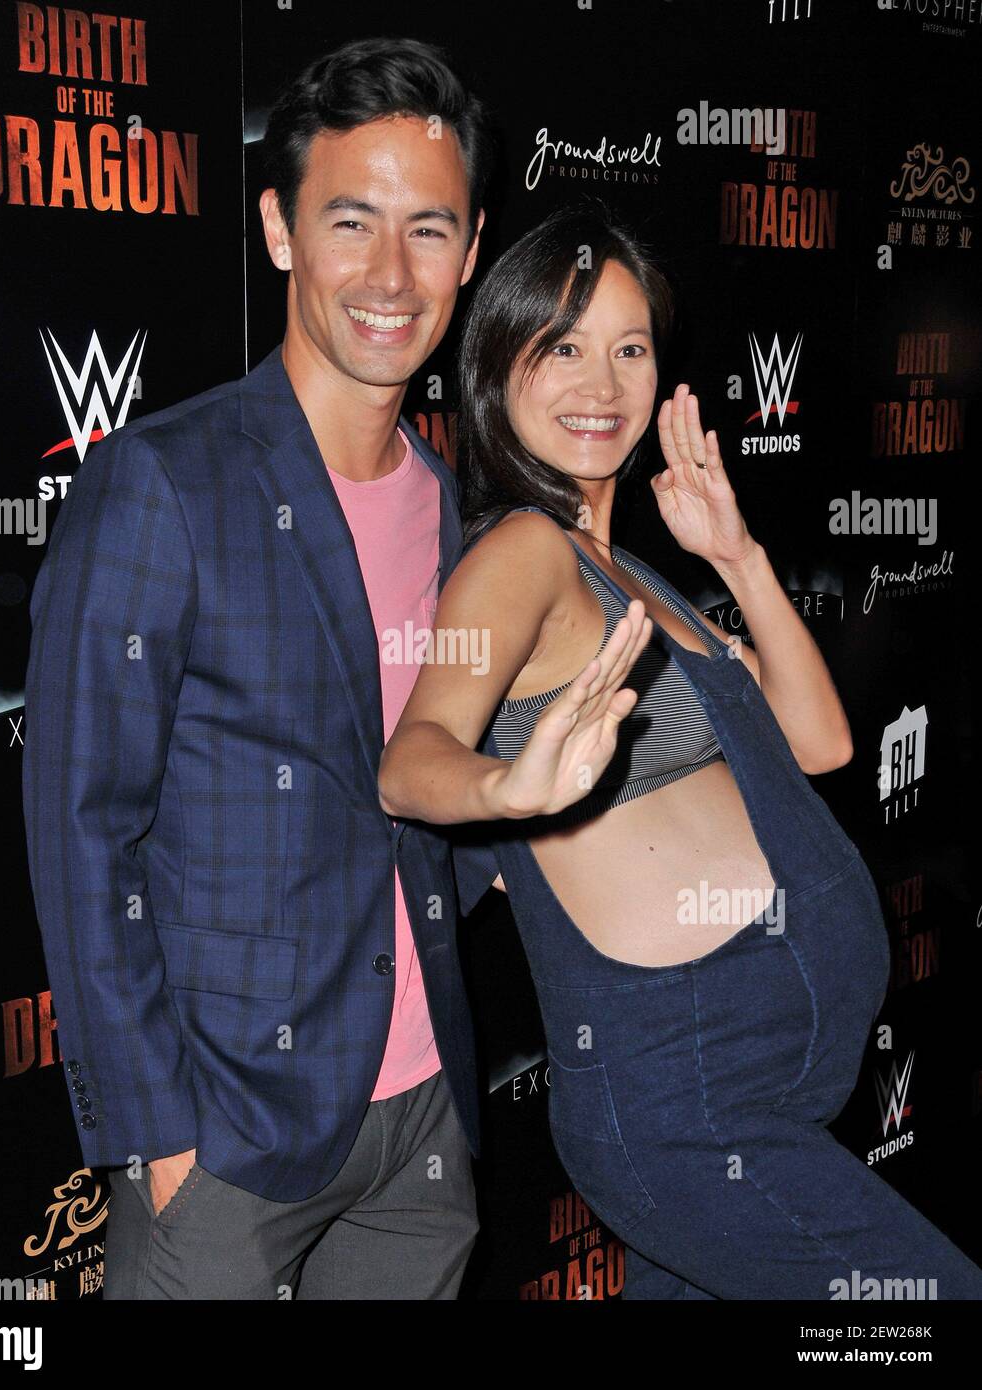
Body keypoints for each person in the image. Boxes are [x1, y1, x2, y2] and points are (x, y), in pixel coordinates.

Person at [379, 198, 982, 1299]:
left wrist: (738, 553)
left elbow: (818, 740)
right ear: (495, 362)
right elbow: (411, 756)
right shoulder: (523, 553)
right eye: (560, 346)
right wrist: (510, 783)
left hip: (749, 1093)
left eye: (627, 348)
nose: (599, 384)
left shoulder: (635, 575)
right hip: (686, 1100)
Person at [22, 36, 503, 1300]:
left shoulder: (451, 505)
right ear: (280, 230)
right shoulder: (162, 483)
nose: (390, 275)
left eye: (429, 229)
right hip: (228, 1133)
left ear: (471, 247)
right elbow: (82, 827)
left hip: (423, 1122)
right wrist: (160, 1133)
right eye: (351, 221)